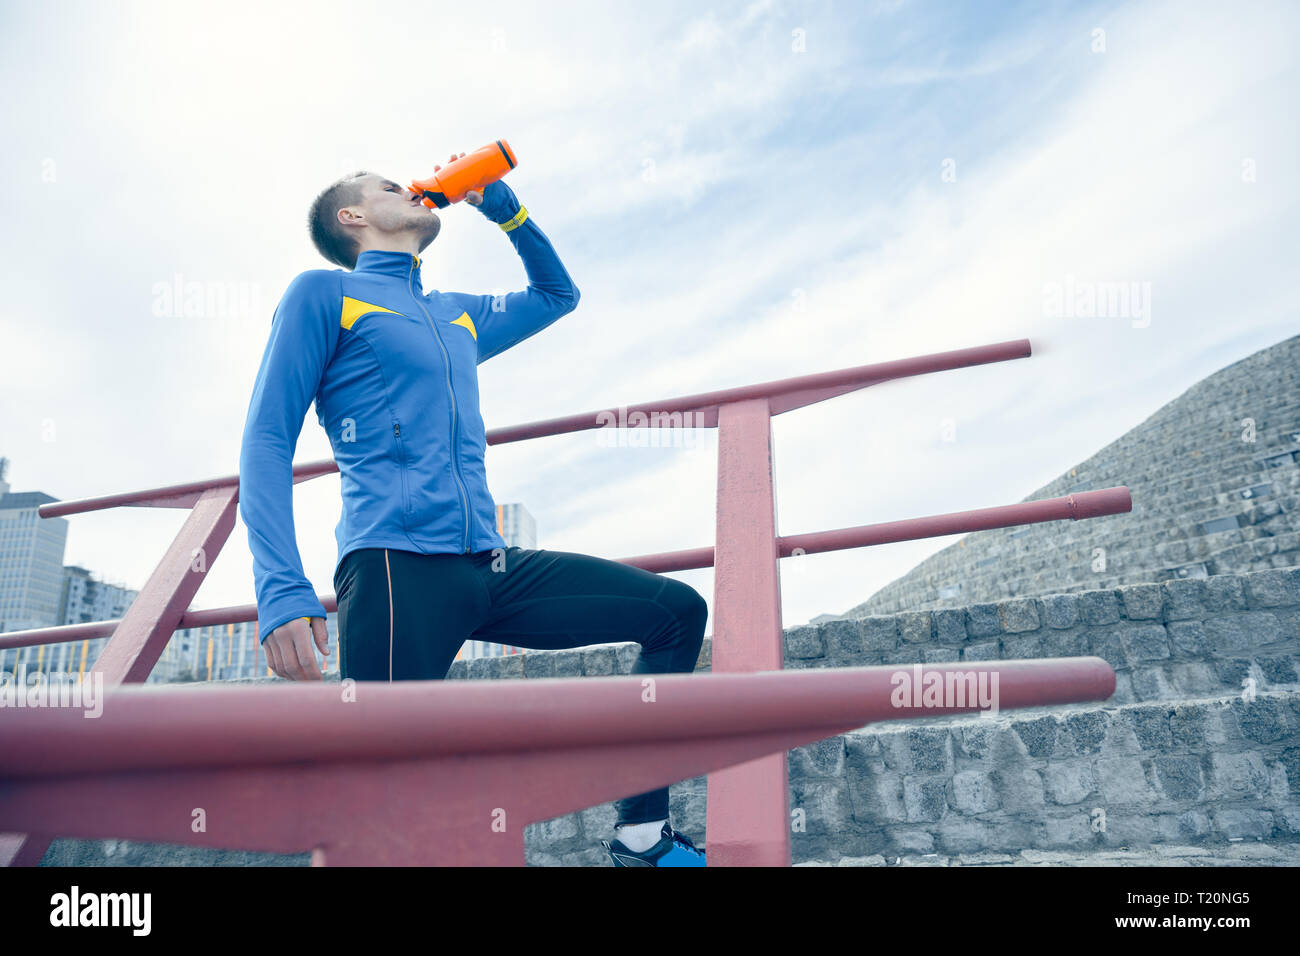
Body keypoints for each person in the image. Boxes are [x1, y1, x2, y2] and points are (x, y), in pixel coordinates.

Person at [237, 156, 707, 867]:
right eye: (388, 186)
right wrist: (280, 588)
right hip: (396, 569)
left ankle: (641, 838)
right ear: (351, 217)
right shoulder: (324, 293)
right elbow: (268, 438)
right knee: (380, 807)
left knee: (675, 612)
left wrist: (508, 213)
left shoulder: (454, 312)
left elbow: (557, 295)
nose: (411, 189)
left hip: (491, 567)